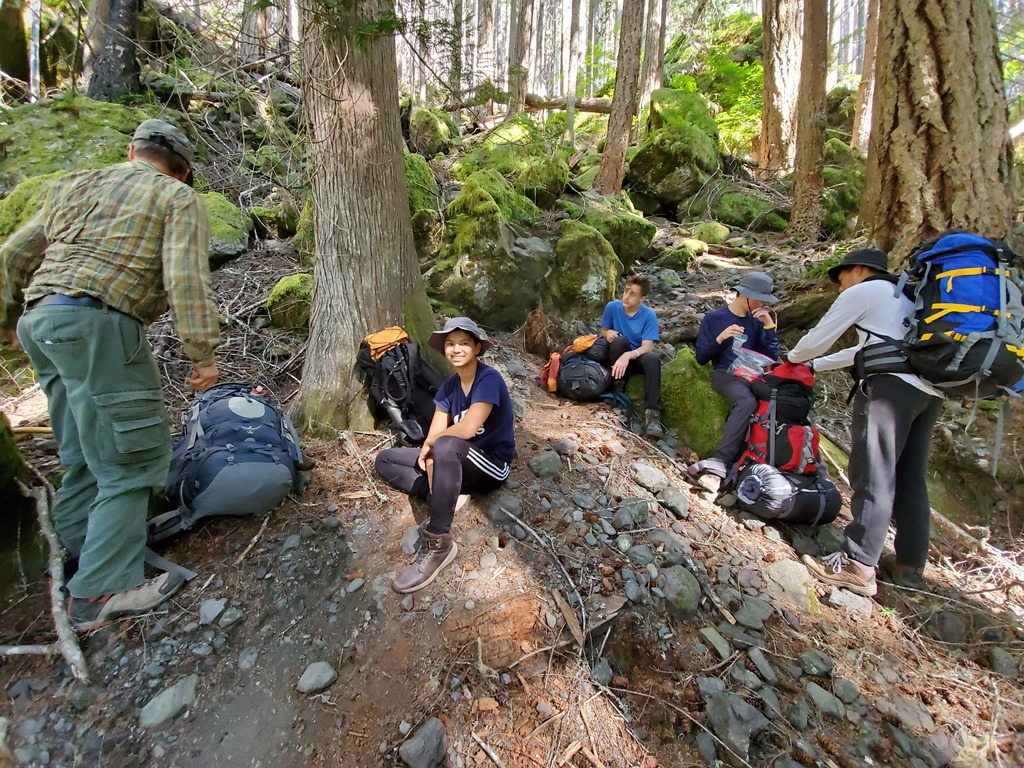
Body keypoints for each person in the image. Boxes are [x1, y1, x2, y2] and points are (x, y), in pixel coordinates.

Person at [0, 119, 220, 632]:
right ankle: (101, 589)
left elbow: (12, 254)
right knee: (134, 458)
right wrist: (202, 354)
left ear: (132, 151)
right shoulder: (177, 199)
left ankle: (79, 556)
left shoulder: (72, 184)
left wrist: (9, 319)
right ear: (184, 173)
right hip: (100, 323)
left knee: (81, 451)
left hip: (42, 322)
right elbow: (185, 277)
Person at [787, 249, 943, 597]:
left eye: (840, 278)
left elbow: (819, 337)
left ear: (857, 270)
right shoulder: (903, 296)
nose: (839, 286)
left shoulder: (864, 292)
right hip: (928, 392)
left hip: (890, 389)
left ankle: (858, 564)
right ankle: (909, 566)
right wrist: (814, 367)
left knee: (874, 472)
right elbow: (864, 350)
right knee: (909, 476)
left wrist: (793, 358)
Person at [375, 317, 515, 593]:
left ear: (477, 348)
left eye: (464, 343)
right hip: (455, 456)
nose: (456, 349)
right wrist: (429, 459)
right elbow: (435, 432)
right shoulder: (449, 386)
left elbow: (467, 428)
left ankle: (439, 542)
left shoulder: (488, 379)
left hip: (490, 463)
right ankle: (444, 493)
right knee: (386, 459)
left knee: (446, 445)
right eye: (450, 344)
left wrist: (431, 448)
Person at [688, 272, 780, 491]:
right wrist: (721, 338)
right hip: (725, 374)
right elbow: (702, 358)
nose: (761, 304)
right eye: (758, 298)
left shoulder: (756, 322)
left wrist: (769, 326)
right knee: (746, 402)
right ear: (744, 294)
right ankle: (720, 460)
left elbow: (771, 356)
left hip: (753, 375)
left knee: (780, 399)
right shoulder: (714, 319)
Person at [592, 275, 666, 439]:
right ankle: (616, 385)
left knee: (653, 359)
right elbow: (604, 330)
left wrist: (628, 355)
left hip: (635, 357)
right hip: (615, 357)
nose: (626, 296)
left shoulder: (648, 315)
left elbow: (647, 346)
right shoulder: (613, 307)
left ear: (642, 298)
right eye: (626, 291)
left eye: (632, 294)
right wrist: (608, 332)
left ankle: (652, 414)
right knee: (619, 340)